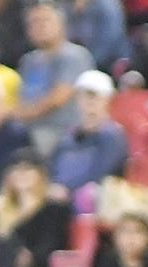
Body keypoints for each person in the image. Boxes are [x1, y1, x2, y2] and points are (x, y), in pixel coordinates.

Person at [15, 1, 95, 155]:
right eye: (33, 23)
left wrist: (22, 114)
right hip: (29, 128)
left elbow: (59, 97)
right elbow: (22, 97)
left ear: (61, 24)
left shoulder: (74, 55)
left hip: (62, 130)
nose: (40, 27)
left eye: (45, 21)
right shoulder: (28, 61)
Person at [48, 71, 129, 195]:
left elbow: (102, 174)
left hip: (90, 198)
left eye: (95, 96)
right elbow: (51, 166)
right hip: (57, 195)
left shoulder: (112, 136)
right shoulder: (68, 136)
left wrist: (68, 190)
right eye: (84, 96)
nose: (89, 102)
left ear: (108, 100)